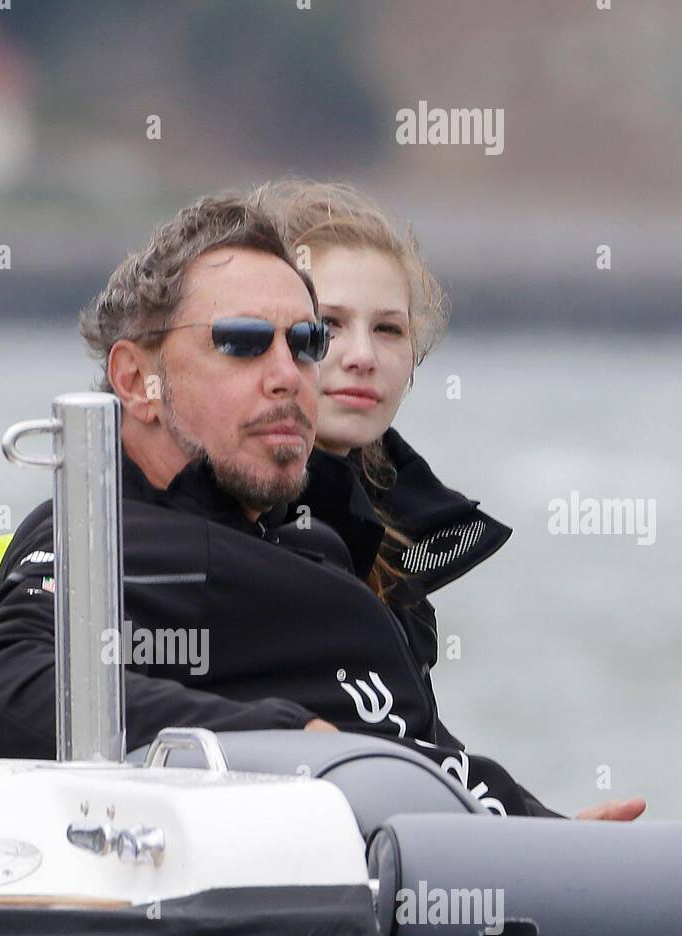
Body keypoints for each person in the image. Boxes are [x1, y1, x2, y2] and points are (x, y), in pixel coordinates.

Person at [0, 194, 638, 820]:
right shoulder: (115, 537)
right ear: (137, 379)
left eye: (305, 343)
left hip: (462, 880)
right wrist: (285, 741)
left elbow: (423, 750)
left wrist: (549, 837)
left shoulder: (317, 546)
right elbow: (5, 687)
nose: (288, 375)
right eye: (242, 342)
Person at [255, 178, 644, 822]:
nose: (361, 357)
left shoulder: (394, 532)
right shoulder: (233, 517)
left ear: (416, 355)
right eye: (328, 326)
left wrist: (549, 837)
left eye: (388, 330)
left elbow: (418, 748)